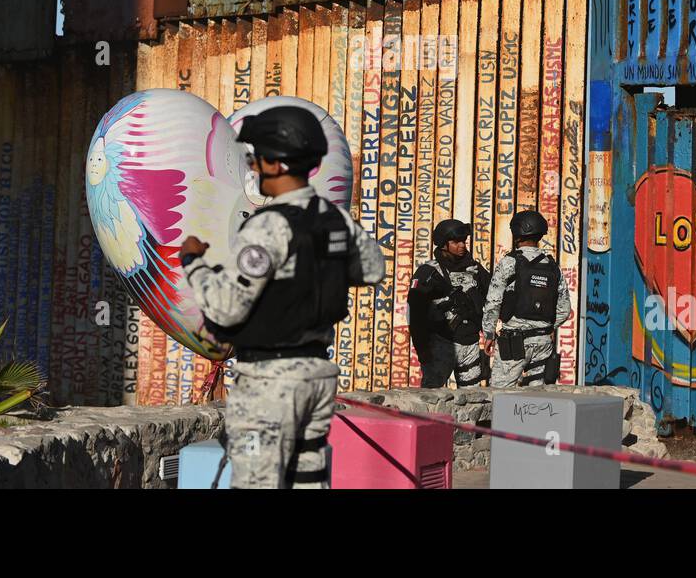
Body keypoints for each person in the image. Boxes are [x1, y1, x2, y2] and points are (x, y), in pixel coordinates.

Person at [180, 105, 384, 489]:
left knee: (258, 482)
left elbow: (226, 307)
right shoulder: (334, 218)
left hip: (270, 383)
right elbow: (371, 270)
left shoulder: (269, 225)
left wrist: (194, 263)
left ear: (275, 163)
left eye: (255, 159)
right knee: (307, 480)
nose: (253, 168)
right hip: (317, 376)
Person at [481, 210, 571, 387]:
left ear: (516, 235)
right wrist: (548, 327)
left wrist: (489, 333)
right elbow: (565, 309)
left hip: (513, 343)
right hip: (543, 342)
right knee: (537, 398)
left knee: (499, 394)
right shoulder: (552, 265)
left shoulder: (510, 262)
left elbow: (493, 301)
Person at [407, 219, 491, 388]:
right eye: (456, 242)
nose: (462, 245)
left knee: (472, 402)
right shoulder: (428, 272)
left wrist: (489, 333)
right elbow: (415, 313)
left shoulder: (474, 269)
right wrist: (422, 348)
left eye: (464, 241)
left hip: (471, 345)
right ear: (444, 244)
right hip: (440, 345)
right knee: (432, 400)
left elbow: (493, 300)